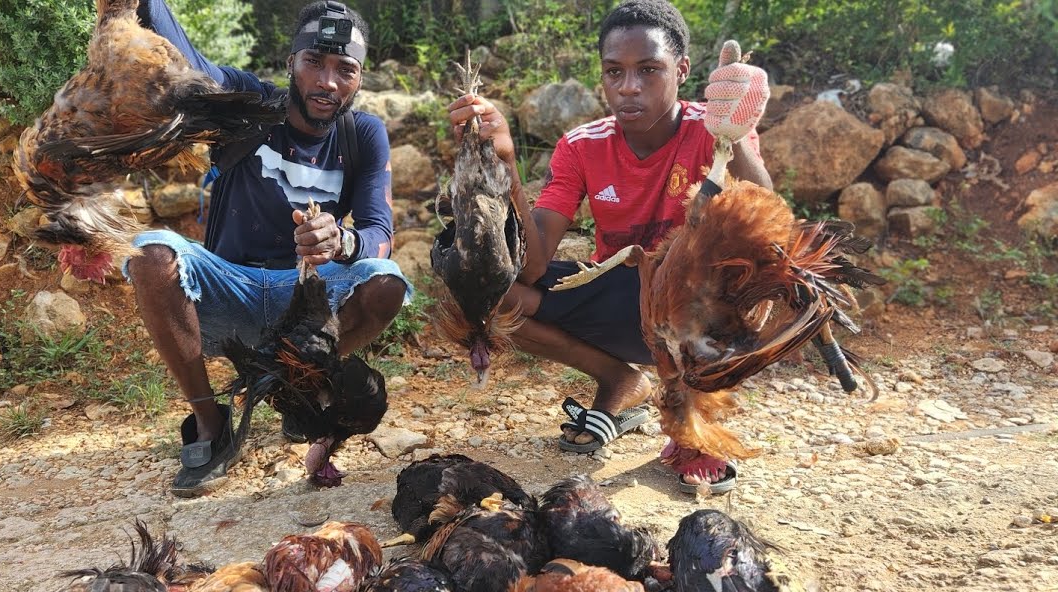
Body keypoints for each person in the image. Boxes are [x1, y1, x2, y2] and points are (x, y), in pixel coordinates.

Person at [447, 0, 772, 493]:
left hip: (698, 311)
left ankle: (692, 428)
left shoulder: (715, 127)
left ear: (681, 71)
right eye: (614, 72)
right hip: (623, 301)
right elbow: (531, 269)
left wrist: (737, 133)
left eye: (649, 70)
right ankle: (619, 380)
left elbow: (765, 218)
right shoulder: (582, 146)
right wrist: (507, 162)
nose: (629, 87)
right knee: (482, 291)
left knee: (735, 276)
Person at [127, 0, 410, 497]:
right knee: (150, 254)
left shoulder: (362, 134)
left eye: (344, 69)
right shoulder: (251, 105)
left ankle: (296, 384)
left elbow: (378, 231)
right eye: (313, 63)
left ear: (359, 78)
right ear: (290, 64)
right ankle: (211, 421)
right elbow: (185, 64)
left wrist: (340, 241)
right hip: (227, 287)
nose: (327, 82)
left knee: (385, 280)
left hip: (303, 303)